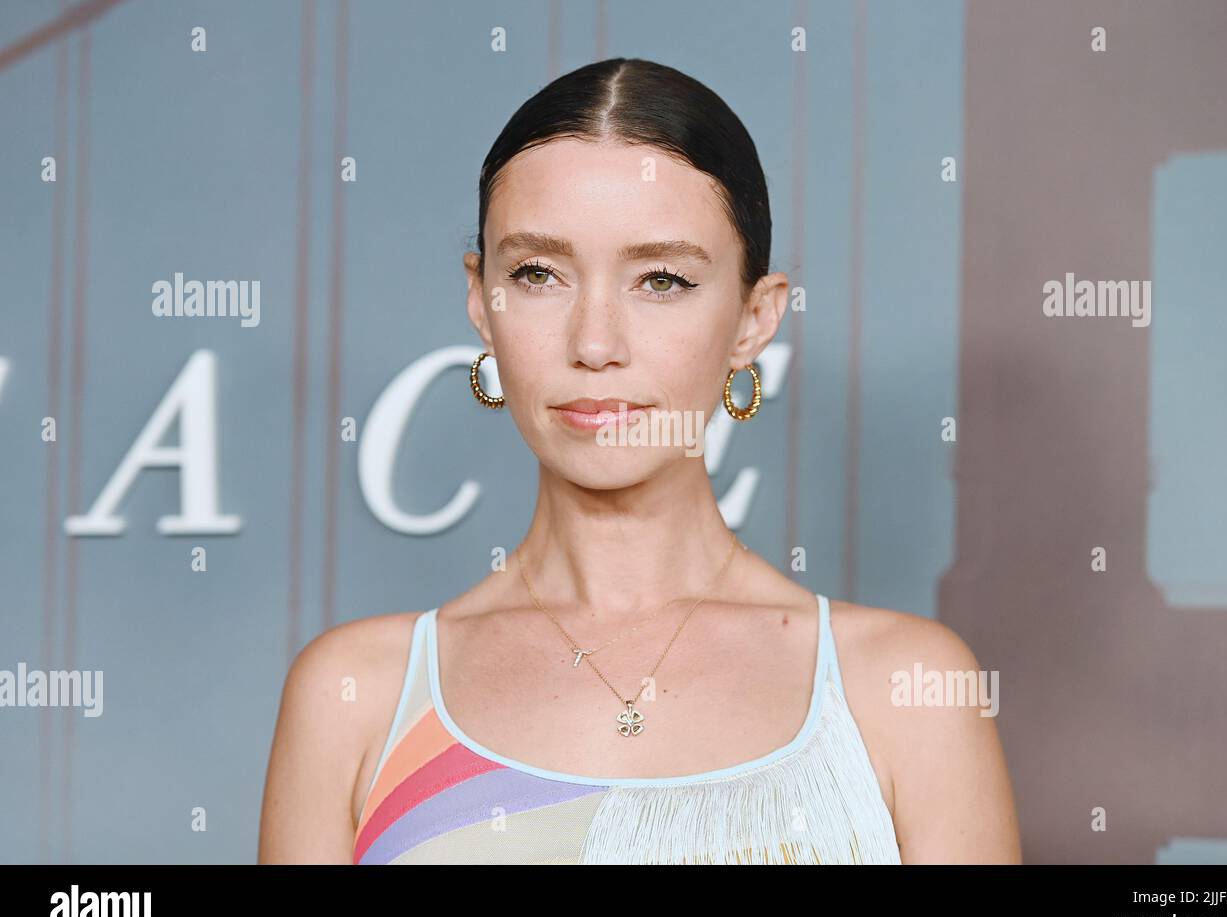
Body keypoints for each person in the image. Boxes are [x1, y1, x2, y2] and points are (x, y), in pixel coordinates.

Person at [258, 57, 1021, 864]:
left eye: (661, 279)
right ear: (483, 299)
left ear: (755, 318)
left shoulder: (903, 691)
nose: (594, 343)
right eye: (539, 274)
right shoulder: (357, 697)